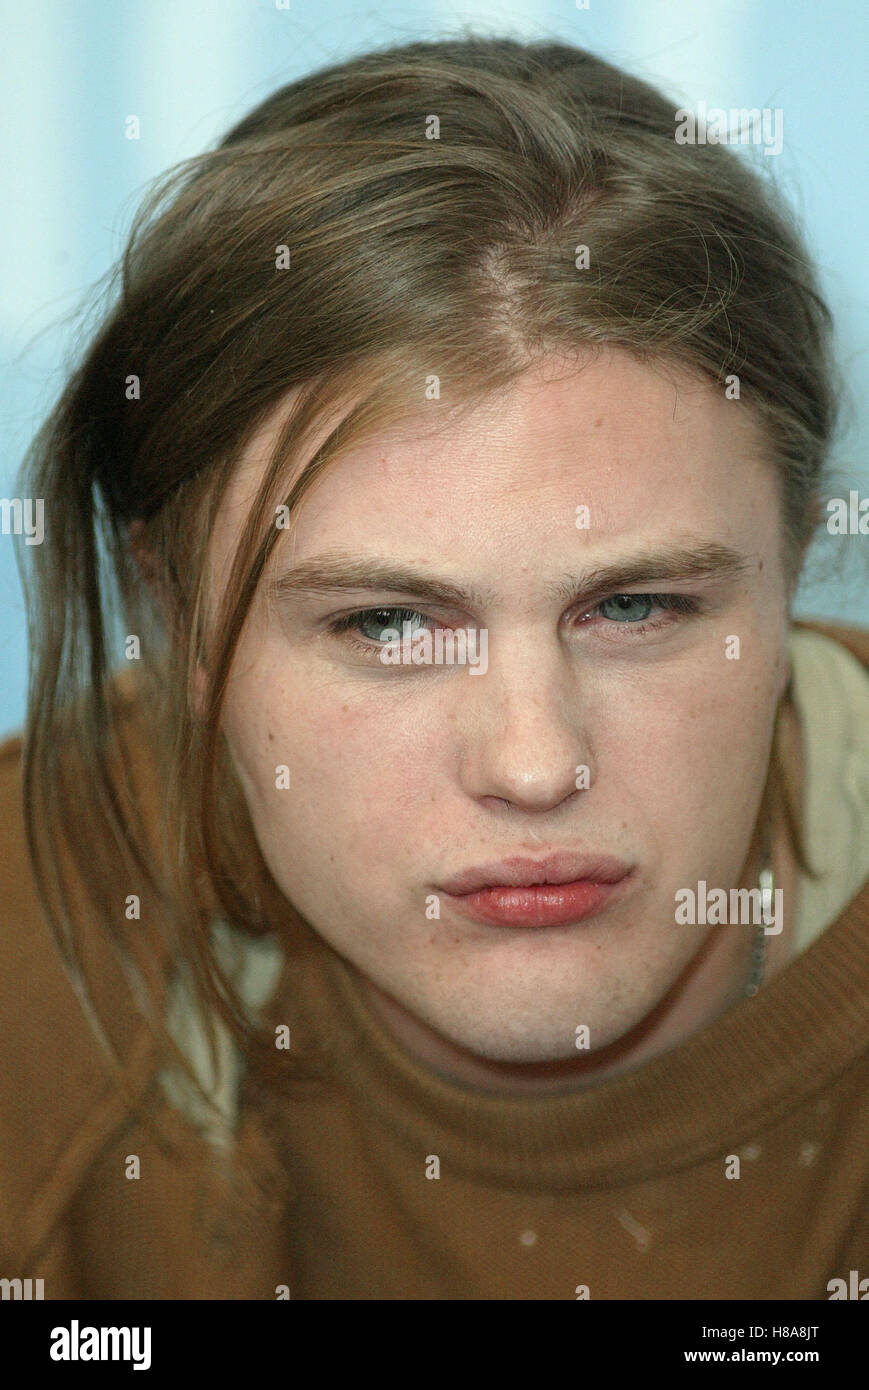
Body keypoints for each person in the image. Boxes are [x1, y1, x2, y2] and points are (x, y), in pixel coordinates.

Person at [1, 35, 867, 1301]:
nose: (531, 764)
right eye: (387, 627)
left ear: (789, 566)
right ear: (173, 616)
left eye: (632, 605)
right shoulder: (31, 966)